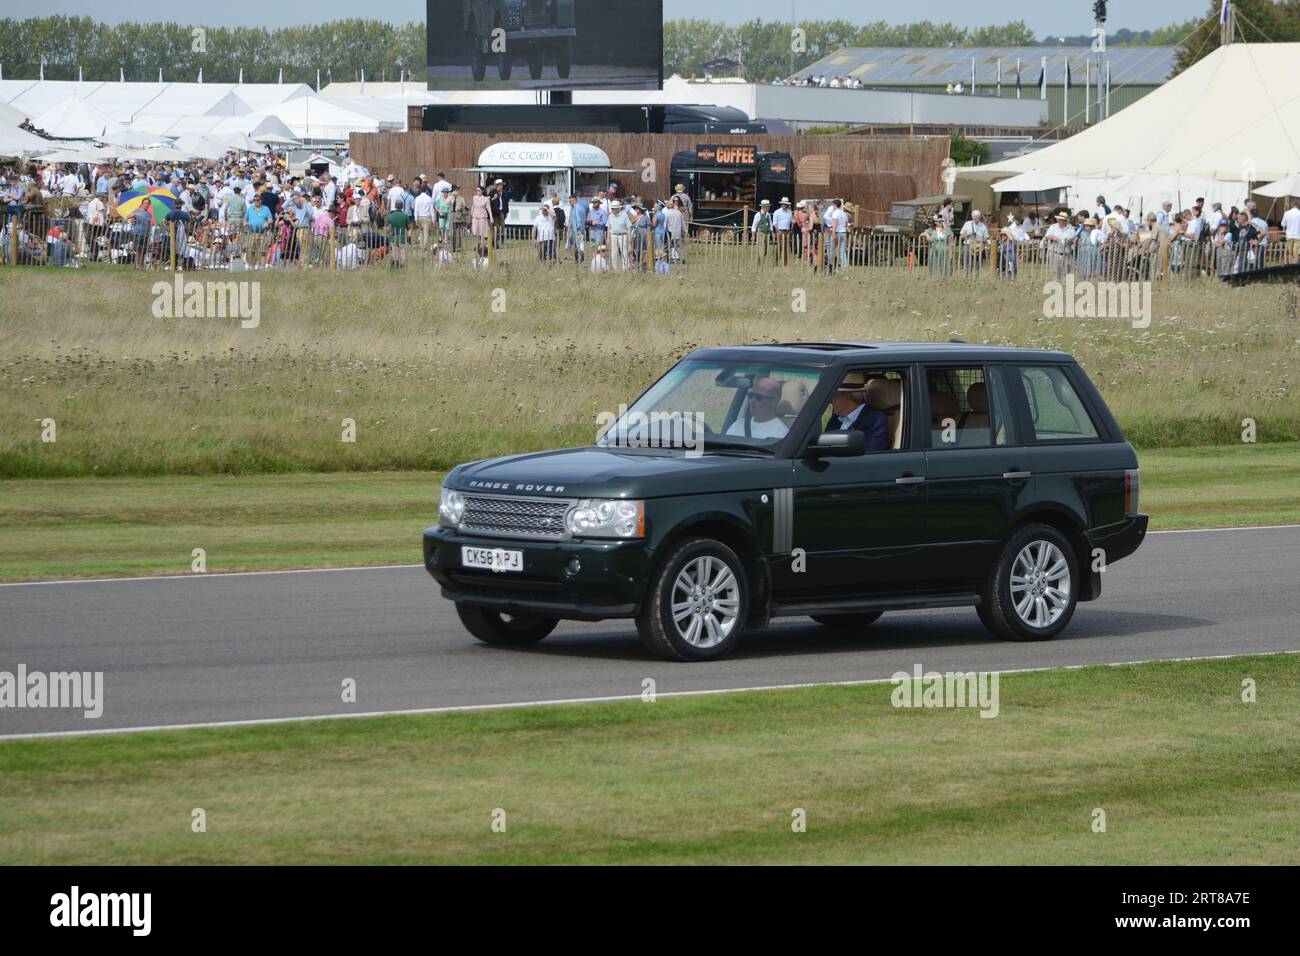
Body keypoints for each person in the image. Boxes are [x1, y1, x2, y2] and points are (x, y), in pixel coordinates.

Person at [825, 374, 889, 451]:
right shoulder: (835, 419)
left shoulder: (876, 420)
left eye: (833, 395)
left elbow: (871, 456)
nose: (830, 401)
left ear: (847, 396)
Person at [724, 377, 789, 440]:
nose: (752, 400)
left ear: (774, 402)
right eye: (751, 395)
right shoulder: (737, 425)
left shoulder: (781, 433)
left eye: (759, 397)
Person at [1044, 210, 1075, 280]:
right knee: (1054, 271)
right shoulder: (1053, 227)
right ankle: (1055, 285)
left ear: (1065, 221)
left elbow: (1073, 238)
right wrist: (1052, 237)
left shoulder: (1070, 228)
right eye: (1059, 219)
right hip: (1054, 252)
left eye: (1061, 220)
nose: (1059, 221)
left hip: (1066, 252)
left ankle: (1063, 286)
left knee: (1065, 272)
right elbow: (1046, 236)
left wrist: (1070, 241)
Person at [959, 209, 989, 274]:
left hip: (979, 247)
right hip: (968, 246)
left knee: (978, 265)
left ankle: (977, 280)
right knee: (967, 264)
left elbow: (987, 239)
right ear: (972, 217)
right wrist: (968, 234)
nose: (977, 219)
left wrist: (981, 240)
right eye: (975, 218)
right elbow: (961, 237)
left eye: (978, 217)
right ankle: (967, 279)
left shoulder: (983, 226)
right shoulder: (967, 224)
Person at [606, 199, 631, 270]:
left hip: (622, 235)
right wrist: (608, 238)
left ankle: (625, 268)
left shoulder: (624, 215)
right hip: (613, 235)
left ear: (618, 208)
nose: (613, 210)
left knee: (624, 252)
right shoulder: (610, 216)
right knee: (614, 253)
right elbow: (608, 228)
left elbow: (628, 227)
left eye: (614, 208)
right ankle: (615, 268)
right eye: (612, 208)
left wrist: (629, 237)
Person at [565, 193, 589, 263]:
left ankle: (580, 259)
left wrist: (578, 229)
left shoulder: (577, 208)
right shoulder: (576, 207)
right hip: (576, 230)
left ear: (575, 200)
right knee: (578, 245)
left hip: (578, 230)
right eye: (569, 201)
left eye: (570, 201)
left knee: (579, 245)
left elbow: (579, 219)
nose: (569, 203)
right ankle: (578, 259)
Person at [751, 197, 772, 263]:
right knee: (761, 248)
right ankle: (761, 263)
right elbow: (754, 226)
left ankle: (759, 260)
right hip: (760, 233)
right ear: (764, 207)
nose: (769, 207)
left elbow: (770, 224)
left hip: (767, 233)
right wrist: (753, 235)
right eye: (768, 206)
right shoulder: (758, 215)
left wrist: (772, 233)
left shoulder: (768, 214)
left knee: (765, 250)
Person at [489, 179, 509, 246]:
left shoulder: (504, 193)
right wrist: (494, 198)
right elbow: (488, 201)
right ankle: (495, 242)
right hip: (494, 212)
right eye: (500, 185)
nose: (501, 187)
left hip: (502, 212)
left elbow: (506, 203)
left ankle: (502, 241)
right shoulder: (492, 192)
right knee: (496, 228)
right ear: (496, 186)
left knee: (502, 226)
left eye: (502, 185)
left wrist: (506, 212)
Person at [1283, 197, 1300, 264]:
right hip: (1298, 236)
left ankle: (1290, 267)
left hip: (1289, 236)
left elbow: (1283, 224)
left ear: (1291, 205)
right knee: (1296, 253)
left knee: (1290, 253)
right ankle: (1295, 267)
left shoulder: (1287, 213)